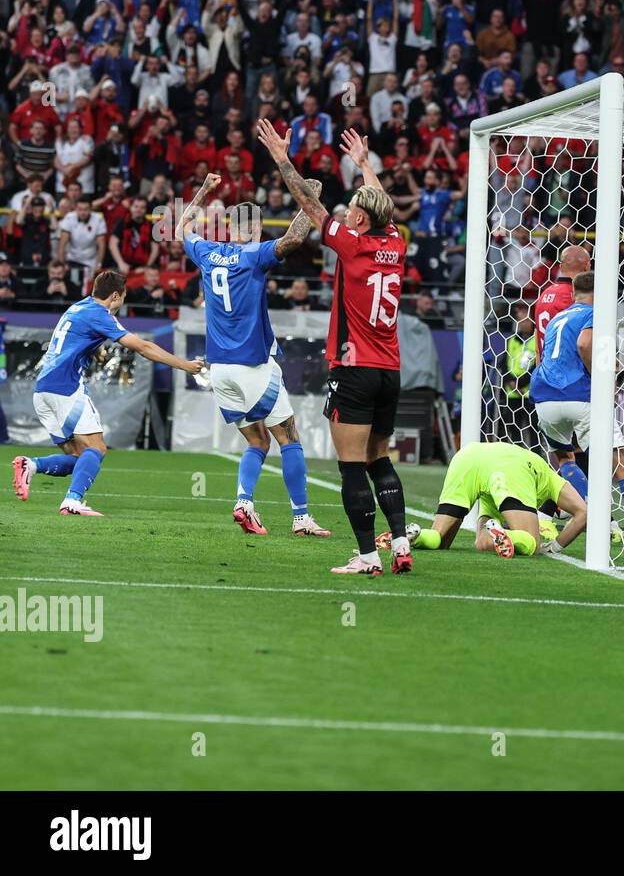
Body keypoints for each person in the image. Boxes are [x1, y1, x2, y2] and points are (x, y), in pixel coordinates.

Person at [257, 120, 412, 576]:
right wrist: (365, 166)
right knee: (379, 458)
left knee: (350, 468)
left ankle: (367, 557)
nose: (343, 214)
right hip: (390, 370)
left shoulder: (353, 245)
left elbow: (310, 203)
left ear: (360, 219)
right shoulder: (394, 242)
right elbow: (377, 207)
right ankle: (401, 545)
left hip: (354, 367)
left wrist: (282, 158)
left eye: (351, 211)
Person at [179, 171, 331, 537]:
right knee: (289, 438)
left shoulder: (206, 252)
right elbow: (295, 237)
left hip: (220, 372)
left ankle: (244, 502)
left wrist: (203, 190)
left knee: (257, 441)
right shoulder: (254, 255)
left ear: (231, 227)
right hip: (253, 366)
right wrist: (310, 197)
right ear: (257, 227)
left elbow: (183, 226)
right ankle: (301, 518)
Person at [11, 270, 203, 515]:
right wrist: (184, 365)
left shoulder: (78, 307)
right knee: (97, 449)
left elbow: (72, 340)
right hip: (65, 388)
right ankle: (72, 501)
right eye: (122, 297)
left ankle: (31, 465)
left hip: (43, 391)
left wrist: (94, 350)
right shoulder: (100, 314)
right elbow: (143, 347)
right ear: (115, 295)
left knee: (81, 457)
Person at [529, 271, 624, 546]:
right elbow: (584, 344)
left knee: (566, 461)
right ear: (599, 293)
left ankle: (592, 518)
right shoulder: (593, 314)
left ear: (574, 293)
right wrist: (599, 378)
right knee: (620, 466)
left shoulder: (556, 319)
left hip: (544, 397)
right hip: (579, 395)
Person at [382, 441, 589, 559]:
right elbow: (583, 513)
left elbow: (482, 540)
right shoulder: (552, 479)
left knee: (442, 540)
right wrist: (553, 546)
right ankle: (514, 537)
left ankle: (411, 536)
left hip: (468, 457)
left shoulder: (531, 478)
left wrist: (494, 529)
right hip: (509, 467)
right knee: (532, 543)